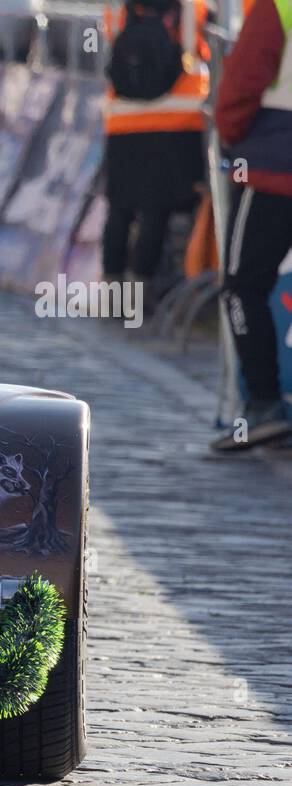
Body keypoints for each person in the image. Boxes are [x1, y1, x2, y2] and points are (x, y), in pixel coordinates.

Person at [210, 0, 292, 452]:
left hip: (275, 173)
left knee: (243, 287)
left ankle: (262, 405)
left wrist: (233, 134)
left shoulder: (277, 7)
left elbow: (241, 84)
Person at [102, 0, 209, 315]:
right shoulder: (192, 6)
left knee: (120, 208)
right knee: (155, 210)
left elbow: (110, 34)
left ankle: (114, 295)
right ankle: (139, 295)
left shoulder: (118, 9)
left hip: (123, 121)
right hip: (175, 120)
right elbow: (204, 38)